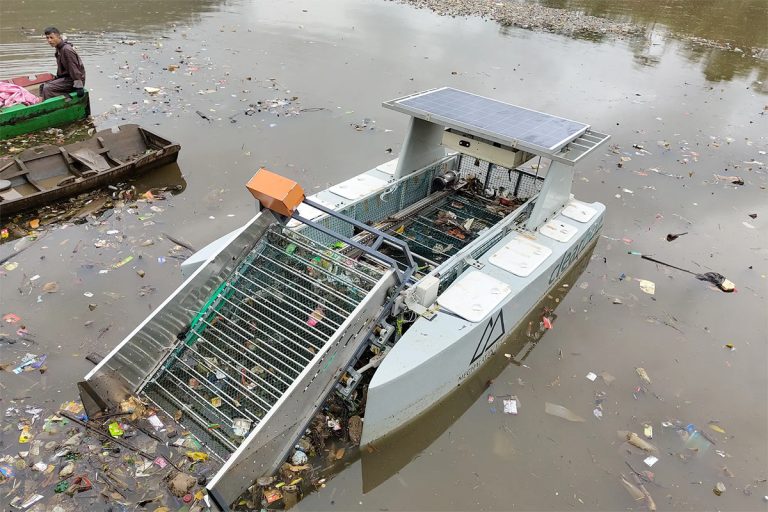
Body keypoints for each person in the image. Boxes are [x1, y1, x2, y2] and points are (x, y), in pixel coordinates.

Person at [39, 27, 86, 100]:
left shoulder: (66, 50)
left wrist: (79, 86)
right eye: (47, 38)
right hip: (67, 78)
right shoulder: (59, 48)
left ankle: (52, 108)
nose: (49, 40)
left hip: (73, 80)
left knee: (47, 88)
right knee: (42, 86)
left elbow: (74, 68)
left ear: (58, 37)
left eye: (51, 37)